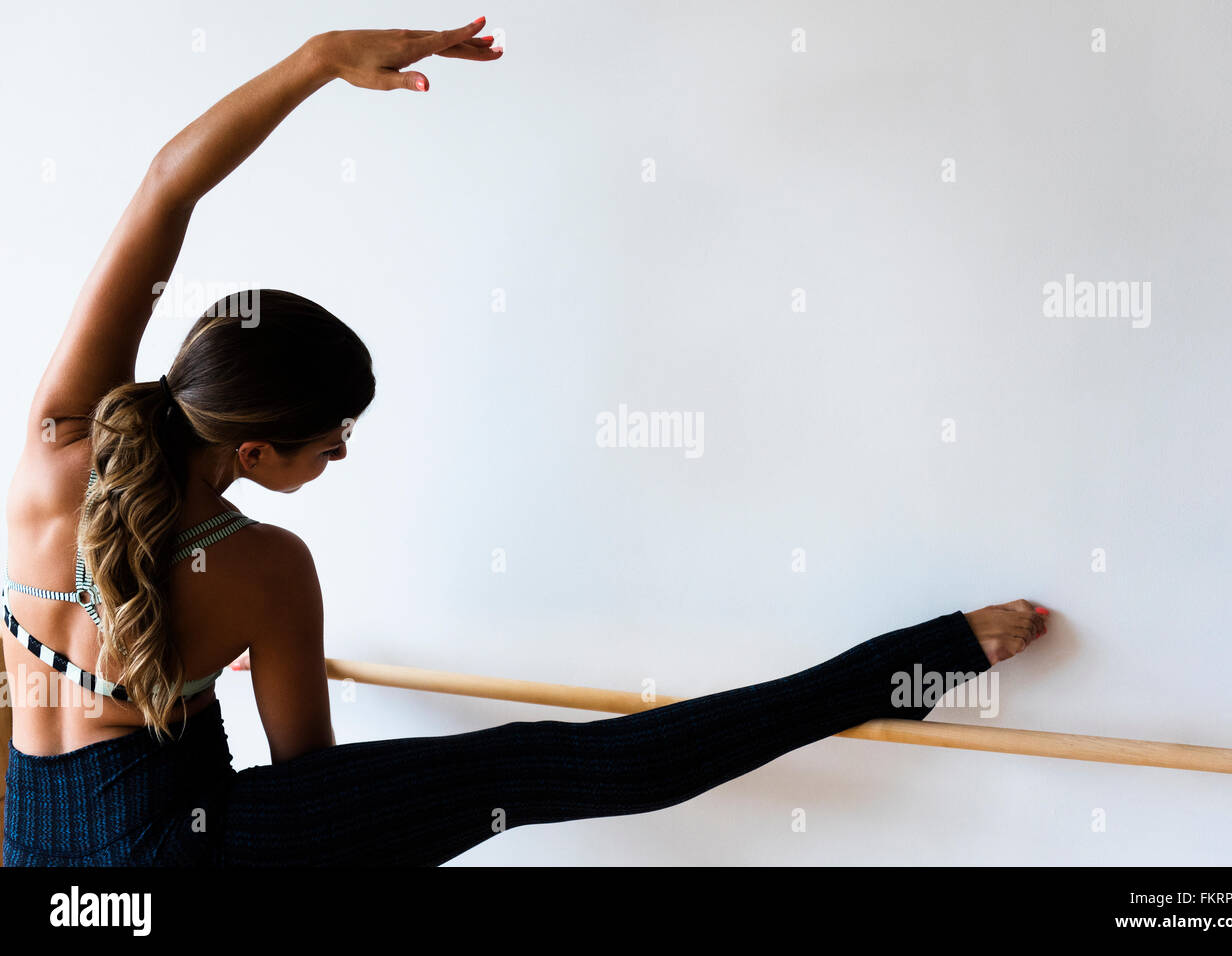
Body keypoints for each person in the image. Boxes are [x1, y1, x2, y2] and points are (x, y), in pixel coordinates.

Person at [0, 20, 1049, 866]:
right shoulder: (267, 566)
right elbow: (311, 781)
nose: (345, 458)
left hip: (28, 846)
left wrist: (317, 57)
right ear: (258, 451)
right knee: (551, 767)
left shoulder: (53, 441)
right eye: (331, 442)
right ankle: (928, 654)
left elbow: (164, 188)